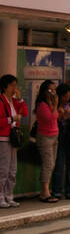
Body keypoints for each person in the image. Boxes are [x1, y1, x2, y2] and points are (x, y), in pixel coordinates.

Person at [34, 79, 61, 203]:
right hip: (45, 137)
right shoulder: (42, 105)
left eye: (54, 90)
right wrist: (55, 105)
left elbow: (57, 116)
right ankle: (44, 192)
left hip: (54, 135)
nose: (53, 92)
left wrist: (55, 106)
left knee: (52, 164)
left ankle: (46, 189)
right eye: (51, 90)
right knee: (48, 164)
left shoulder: (50, 103)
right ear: (45, 91)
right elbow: (52, 117)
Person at [0, 74, 23, 209]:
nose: (15, 88)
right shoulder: (1, 100)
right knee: (3, 169)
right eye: (12, 85)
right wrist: (12, 119)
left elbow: (24, 112)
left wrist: (19, 99)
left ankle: (9, 195)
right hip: (3, 138)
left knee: (12, 169)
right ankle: (1, 196)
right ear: (5, 86)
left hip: (13, 138)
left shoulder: (12, 101)